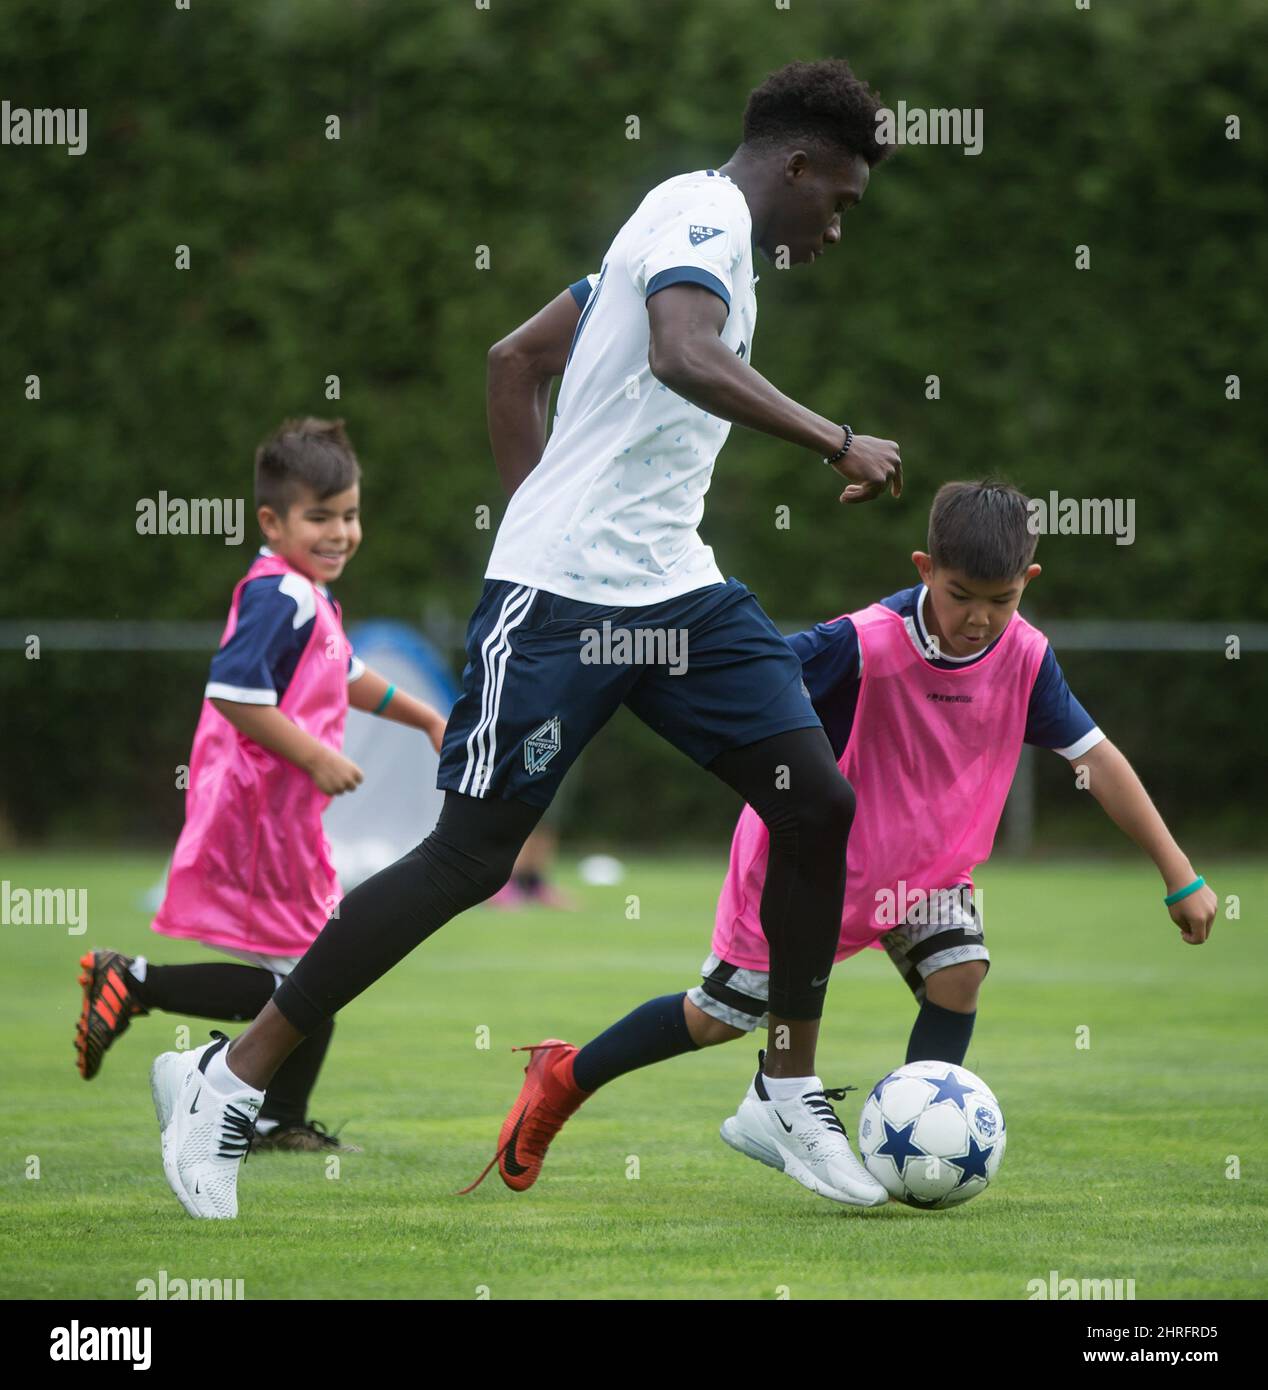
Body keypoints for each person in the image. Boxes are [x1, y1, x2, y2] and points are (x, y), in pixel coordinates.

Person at [151, 57, 905, 1219]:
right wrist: (835, 439)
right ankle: (226, 1079)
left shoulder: (672, 222)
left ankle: (784, 1090)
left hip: (673, 594)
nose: (839, 226)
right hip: (561, 605)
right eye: (841, 200)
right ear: (797, 164)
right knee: (469, 857)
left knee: (815, 800)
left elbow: (515, 360)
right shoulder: (703, 212)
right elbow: (679, 352)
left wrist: (538, 508)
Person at [477, 481, 1218, 1197]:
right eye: (961, 595)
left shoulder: (1026, 658)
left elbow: (1096, 758)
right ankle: (564, 1078)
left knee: (959, 975)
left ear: (1028, 580)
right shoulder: (859, 644)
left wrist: (1179, 875)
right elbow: (749, 679)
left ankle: (919, 1143)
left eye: (1003, 600)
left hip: (926, 873)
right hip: (808, 870)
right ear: (925, 570)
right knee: (714, 1021)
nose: (979, 619)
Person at [79, 418, 446, 1154]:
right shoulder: (279, 595)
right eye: (321, 517)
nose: (341, 532)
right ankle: (133, 981)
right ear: (272, 521)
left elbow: (344, 677)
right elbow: (235, 695)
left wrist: (426, 718)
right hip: (255, 813)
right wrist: (313, 756)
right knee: (311, 973)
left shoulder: (310, 597)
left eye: (349, 515)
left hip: (284, 818)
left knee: (320, 964)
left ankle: (276, 1119)